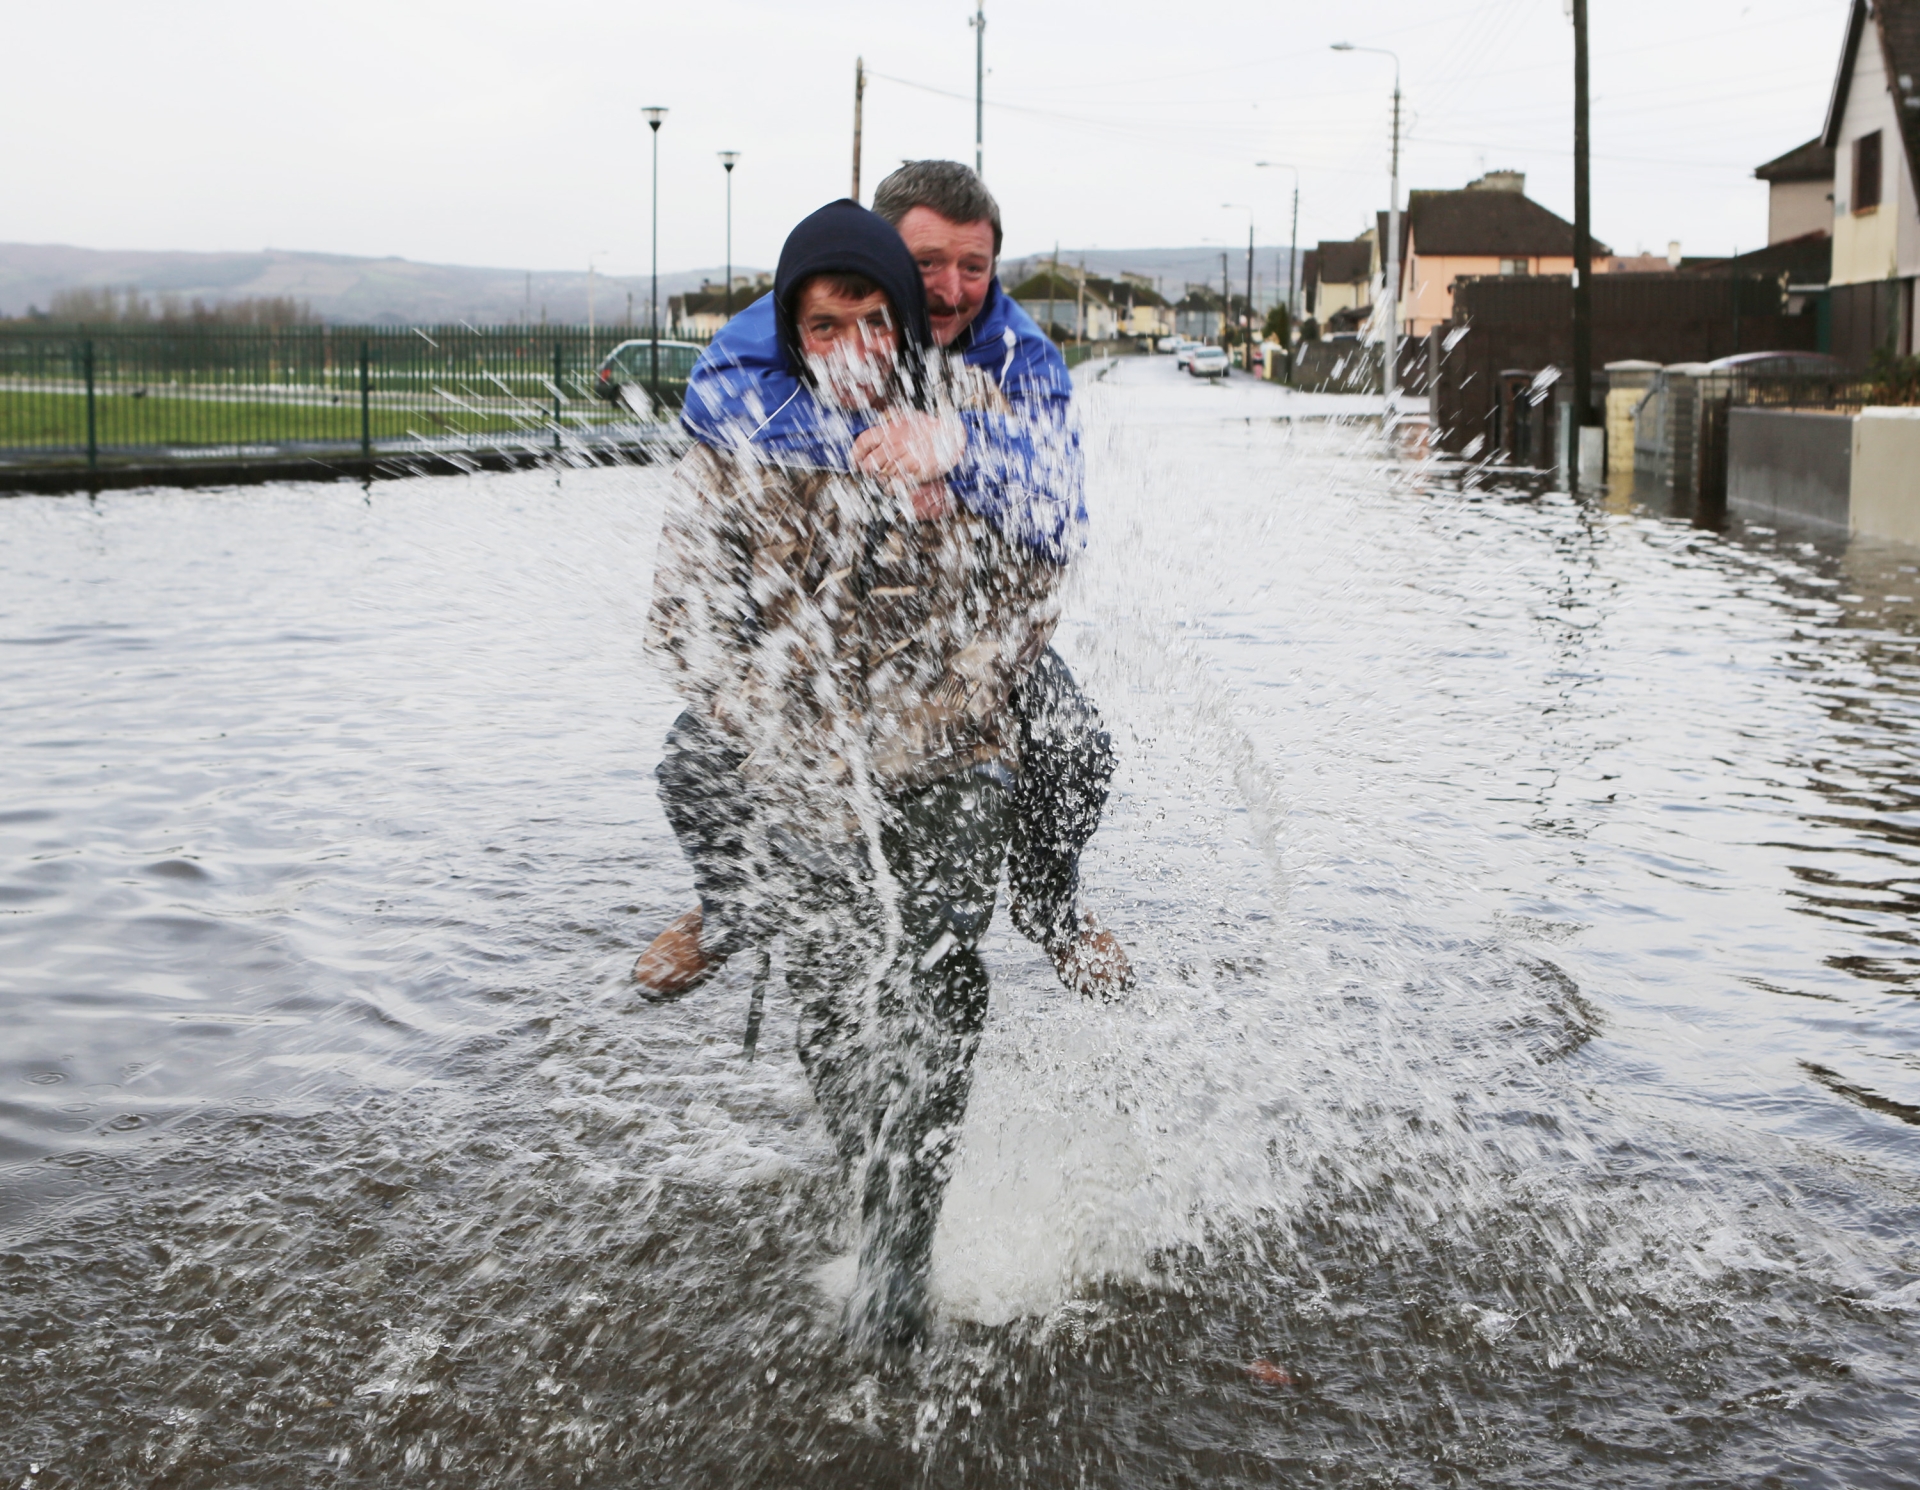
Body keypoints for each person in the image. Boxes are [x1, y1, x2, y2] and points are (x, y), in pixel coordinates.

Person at [646, 199, 1061, 1347]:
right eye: (826, 326)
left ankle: (899, 1264)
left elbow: (1049, 570)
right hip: (812, 765)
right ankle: (870, 1178)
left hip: (950, 752)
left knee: (937, 980)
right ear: (794, 332)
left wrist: (963, 482)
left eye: (876, 320)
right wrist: (784, 717)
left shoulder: (978, 407)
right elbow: (685, 619)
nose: (853, 349)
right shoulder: (746, 437)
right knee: (833, 989)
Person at [636, 160, 1130, 1002]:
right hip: (820, 642)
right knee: (697, 758)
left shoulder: (1014, 354)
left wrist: (962, 452)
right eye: (925, 263)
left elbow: (1060, 508)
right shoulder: (789, 328)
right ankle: (727, 909)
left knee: (1072, 746)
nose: (950, 290)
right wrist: (869, 450)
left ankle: (1052, 912)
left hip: (961, 646)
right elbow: (720, 418)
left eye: (973, 267)